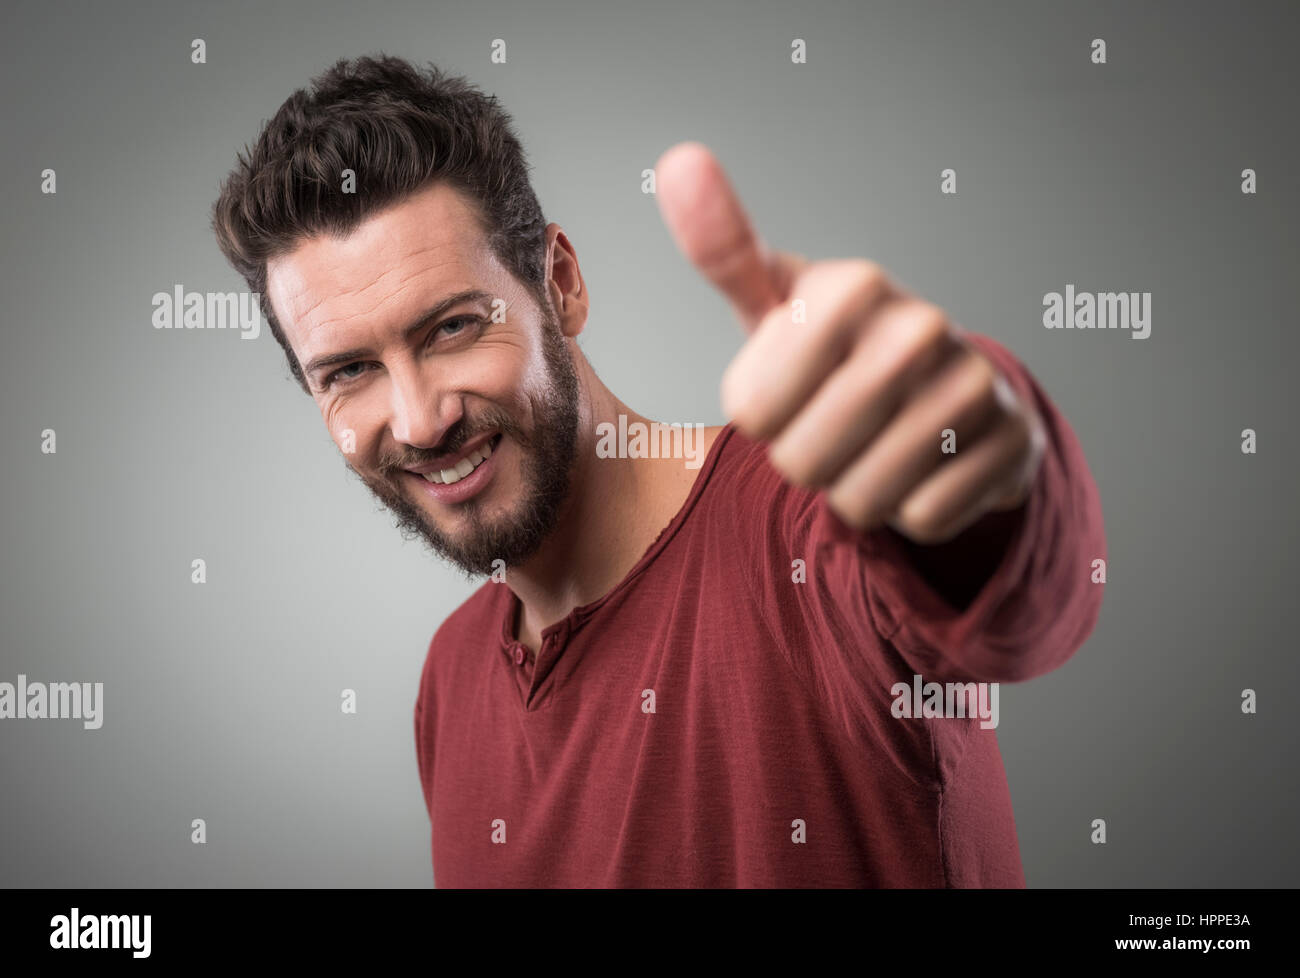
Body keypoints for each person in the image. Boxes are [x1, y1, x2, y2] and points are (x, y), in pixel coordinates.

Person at [212, 55, 1106, 887]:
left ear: (559, 283)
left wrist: (974, 446)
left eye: (450, 327)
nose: (420, 419)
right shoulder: (449, 684)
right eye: (349, 373)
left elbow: (1013, 593)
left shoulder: (812, 524)